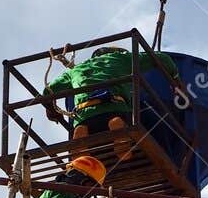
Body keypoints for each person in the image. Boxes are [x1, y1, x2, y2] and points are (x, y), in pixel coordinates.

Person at [43, 44, 181, 141]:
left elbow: (47, 91)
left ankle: (77, 166)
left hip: (84, 114)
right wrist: (176, 83)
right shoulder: (121, 59)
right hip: (115, 107)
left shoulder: (75, 70)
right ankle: (124, 152)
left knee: (80, 135)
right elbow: (163, 59)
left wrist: (51, 110)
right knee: (117, 126)